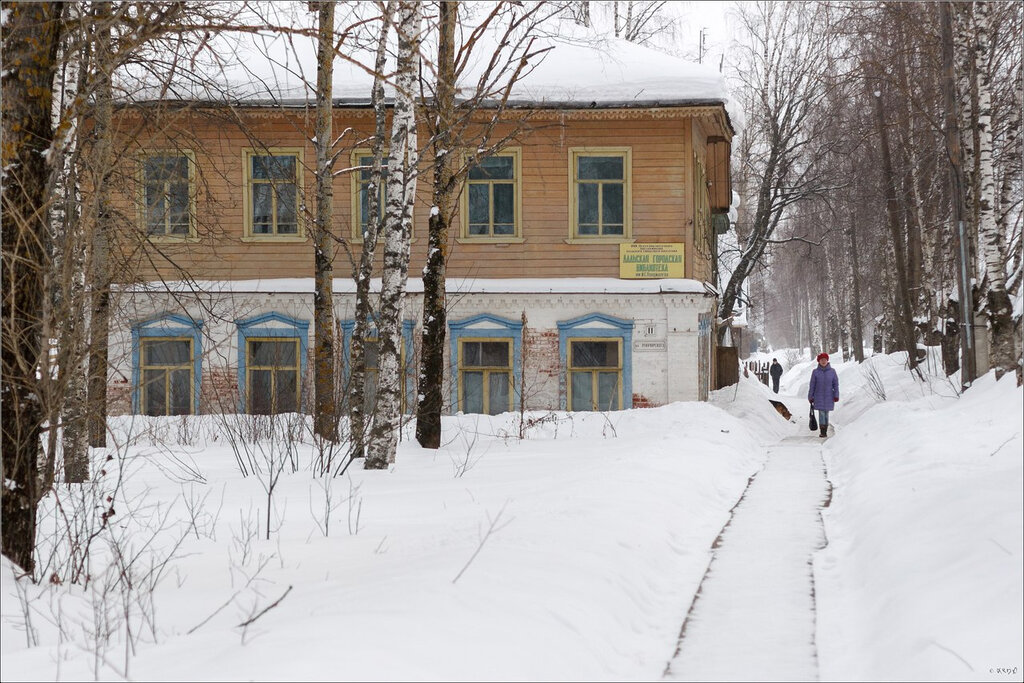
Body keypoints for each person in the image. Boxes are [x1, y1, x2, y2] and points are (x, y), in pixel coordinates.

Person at [808, 352, 839, 438]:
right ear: (819, 361)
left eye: (825, 359)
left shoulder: (832, 372)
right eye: (821, 360)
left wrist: (836, 395)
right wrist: (810, 396)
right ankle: (823, 432)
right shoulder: (815, 372)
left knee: (826, 414)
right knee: (821, 413)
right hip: (818, 397)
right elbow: (812, 385)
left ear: (827, 360)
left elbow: (836, 385)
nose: (823, 361)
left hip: (829, 397)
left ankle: (825, 429)